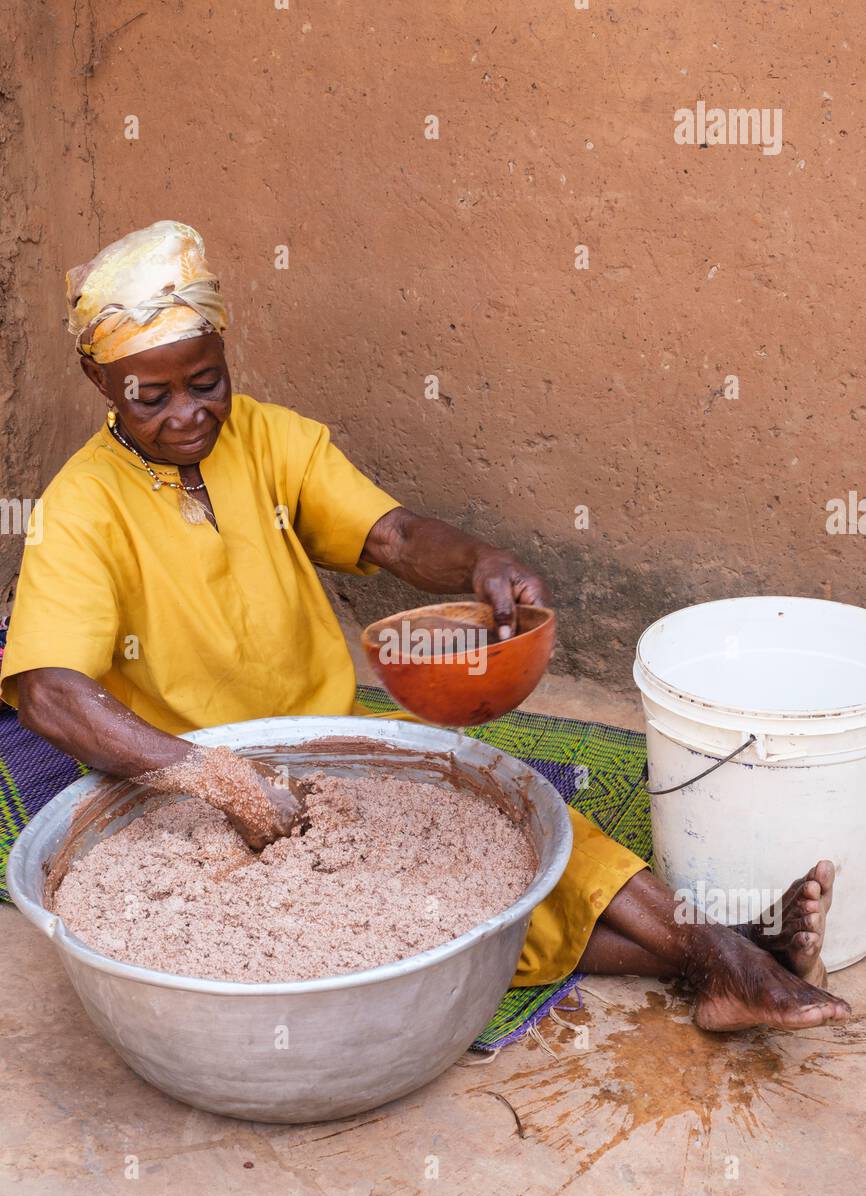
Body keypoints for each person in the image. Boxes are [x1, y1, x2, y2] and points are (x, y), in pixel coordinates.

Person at [0, 221, 849, 1034]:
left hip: (335, 740)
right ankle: (727, 961)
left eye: (206, 381)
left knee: (531, 816)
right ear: (97, 379)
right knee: (411, 908)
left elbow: (396, 536)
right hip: (184, 788)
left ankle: (720, 957)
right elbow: (46, 688)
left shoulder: (267, 438)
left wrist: (479, 561)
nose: (187, 413)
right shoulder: (80, 508)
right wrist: (220, 779)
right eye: (153, 395)